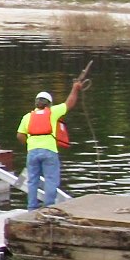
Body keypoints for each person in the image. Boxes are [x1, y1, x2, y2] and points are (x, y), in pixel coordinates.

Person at [17, 72, 89, 209]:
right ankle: (49, 207)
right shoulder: (53, 112)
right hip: (49, 151)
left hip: (32, 152)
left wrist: (29, 144)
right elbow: (70, 103)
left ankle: (31, 209)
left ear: (36, 103)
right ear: (49, 104)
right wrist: (75, 88)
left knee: (32, 181)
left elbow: (20, 135)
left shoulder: (27, 116)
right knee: (51, 180)